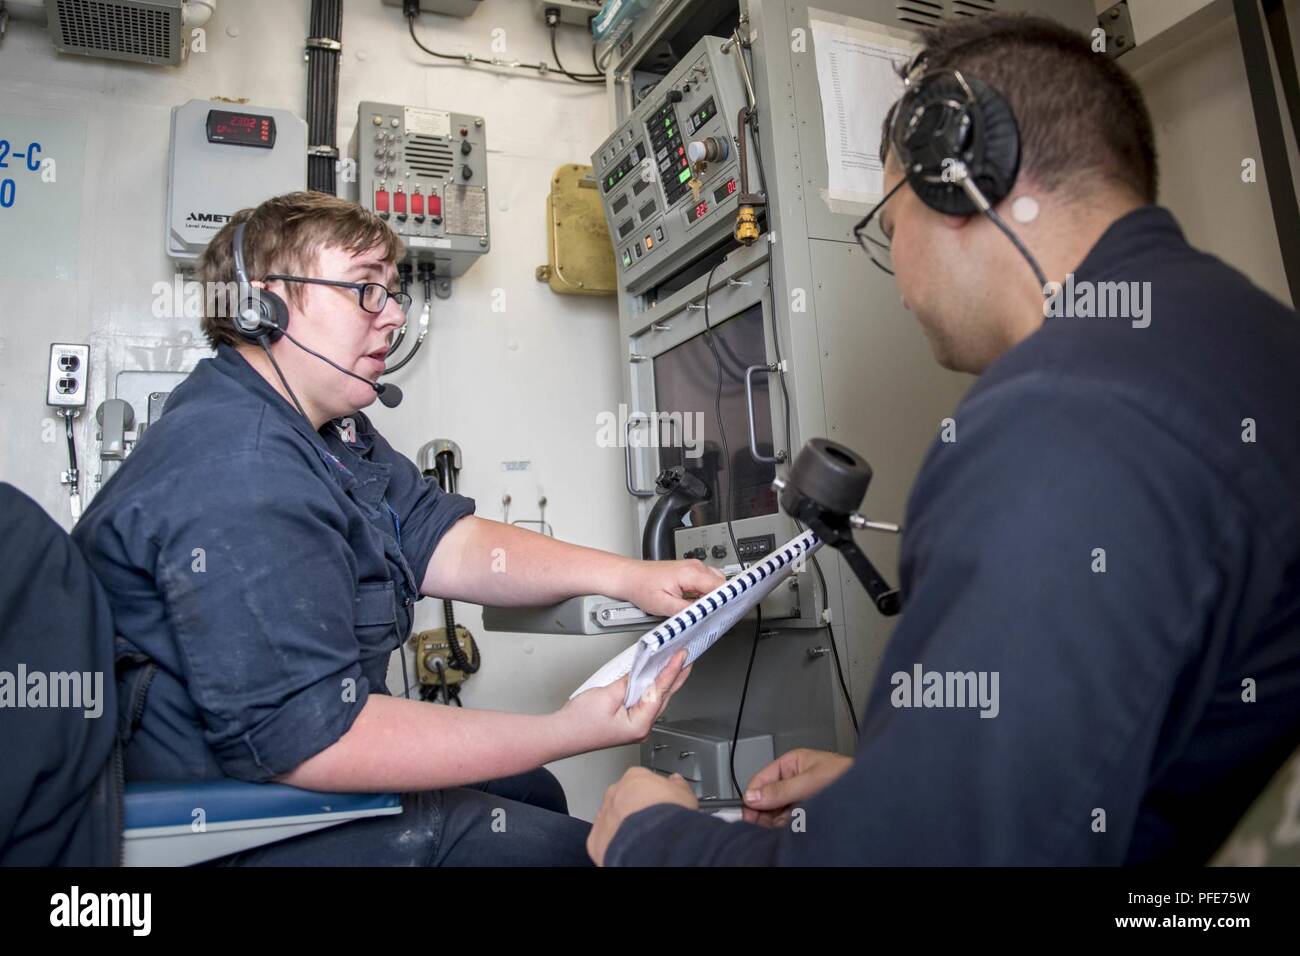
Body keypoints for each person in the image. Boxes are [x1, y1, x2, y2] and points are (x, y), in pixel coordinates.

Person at [587, 12, 1300, 866]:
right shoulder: (1255, 342)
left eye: (887, 228)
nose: (899, 289)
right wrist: (888, 790)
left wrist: (649, 836)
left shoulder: (1055, 420)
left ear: (961, 173)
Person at [72, 190, 721, 866]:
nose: (395, 315)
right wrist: (565, 729)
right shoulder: (243, 463)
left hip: (294, 759)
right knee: (568, 853)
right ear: (260, 305)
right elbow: (315, 742)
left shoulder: (326, 429)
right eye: (365, 291)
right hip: (227, 811)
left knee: (533, 791)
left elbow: (446, 540)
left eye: (392, 290)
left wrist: (633, 576)